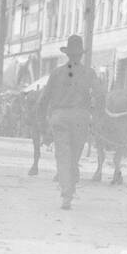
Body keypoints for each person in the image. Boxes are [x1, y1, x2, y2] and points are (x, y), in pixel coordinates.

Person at [35, 35, 101, 210]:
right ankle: (69, 187)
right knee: (74, 157)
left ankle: (67, 194)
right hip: (81, 119)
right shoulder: (89, 73)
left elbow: (43, 99)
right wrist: (96, 115)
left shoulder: (56, 73)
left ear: (67, 54)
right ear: (80, 55)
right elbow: (100, 95)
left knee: (63, 156)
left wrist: (42, 123)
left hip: (60, 118)